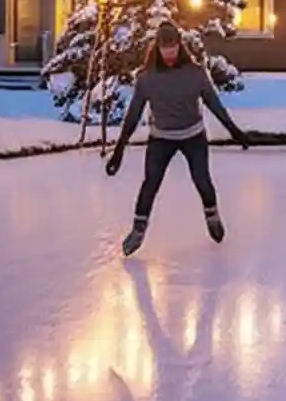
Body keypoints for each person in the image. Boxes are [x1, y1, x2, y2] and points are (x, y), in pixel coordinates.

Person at [105, 21, 251, 257]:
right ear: (158, 48)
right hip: (161, 138)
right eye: (165, 47)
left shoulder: (195, 73)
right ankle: (138, 231)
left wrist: (233, 130)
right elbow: (133, 115)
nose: (169, 52)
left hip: (192, 135)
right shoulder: (147, 78)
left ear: (179, 46)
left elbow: (214, 103)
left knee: (202, 179)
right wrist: (119, 150)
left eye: (173, 47)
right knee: (150, 184)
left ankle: (212, 216)